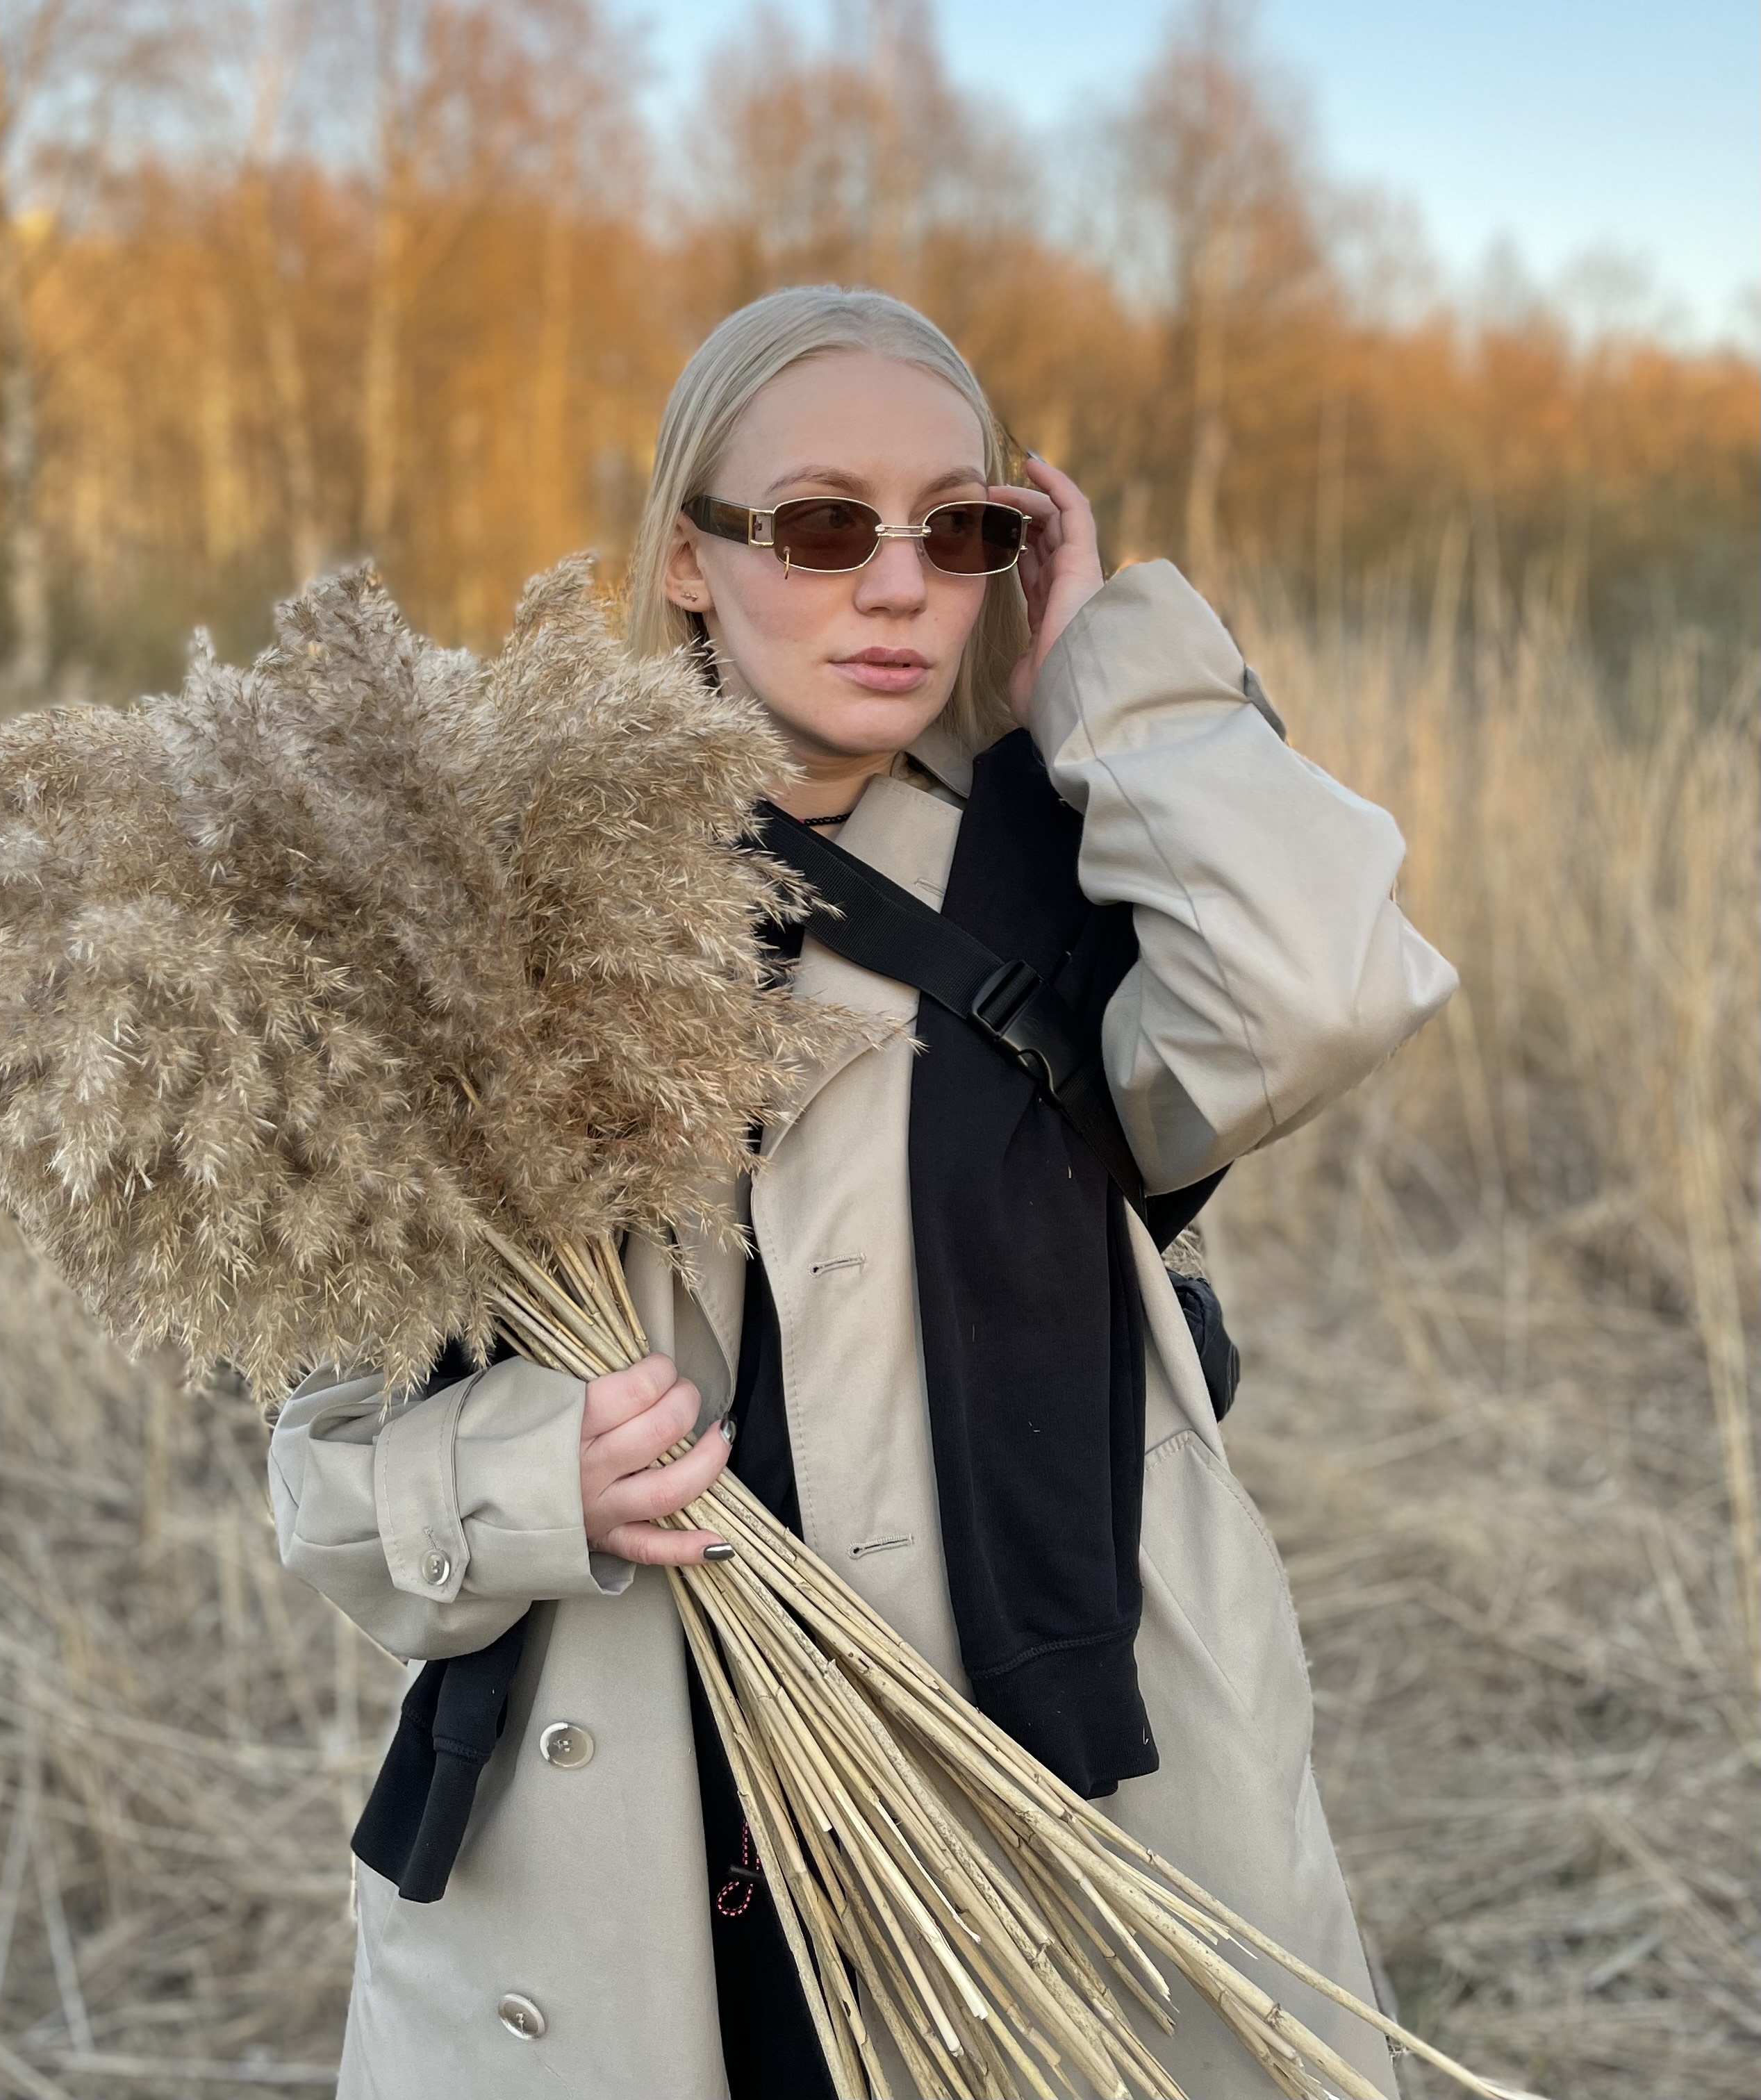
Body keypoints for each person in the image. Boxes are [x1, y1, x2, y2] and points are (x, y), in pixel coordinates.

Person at [267, 284, 1457, 2100]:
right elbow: (330, 1466)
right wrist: (534, 1478)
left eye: (960, 530)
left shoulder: (1069, 883)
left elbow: (1323, 987)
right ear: (687, 556)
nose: (897, 585)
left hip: (1044, 1842)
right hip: (639, 1905)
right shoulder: (481, 926)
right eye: (825, 526)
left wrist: (1119, 668)